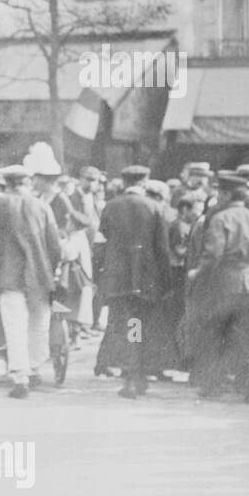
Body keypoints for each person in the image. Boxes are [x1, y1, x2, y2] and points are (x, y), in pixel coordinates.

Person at [184, 171, 249, 403]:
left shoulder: (221, 219)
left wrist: (196, 274)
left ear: (226, 194)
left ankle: (214, 385)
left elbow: (213, 255)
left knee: (217, 333)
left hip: (224, 281)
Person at [0, 164, 62, 398]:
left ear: (6, 183)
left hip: (8, 276)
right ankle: (34, 368)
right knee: (38, 324)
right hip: (40, 276)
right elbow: (55, 246)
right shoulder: (42, 206)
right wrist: (50, 270)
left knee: (15, 327)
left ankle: (20, 378)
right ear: (28, 183)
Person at [96, 165, 174, 399]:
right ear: (144, 182)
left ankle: (132, 375)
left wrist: (101, 275)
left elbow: (101, 242)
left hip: (117, 278)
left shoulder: (110, 206)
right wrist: (166, 281)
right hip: (145, 278)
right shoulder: (155, 207)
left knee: (126, 326)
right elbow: (162, 248)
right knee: (139, 327)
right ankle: (135, 377)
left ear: (123, 180)